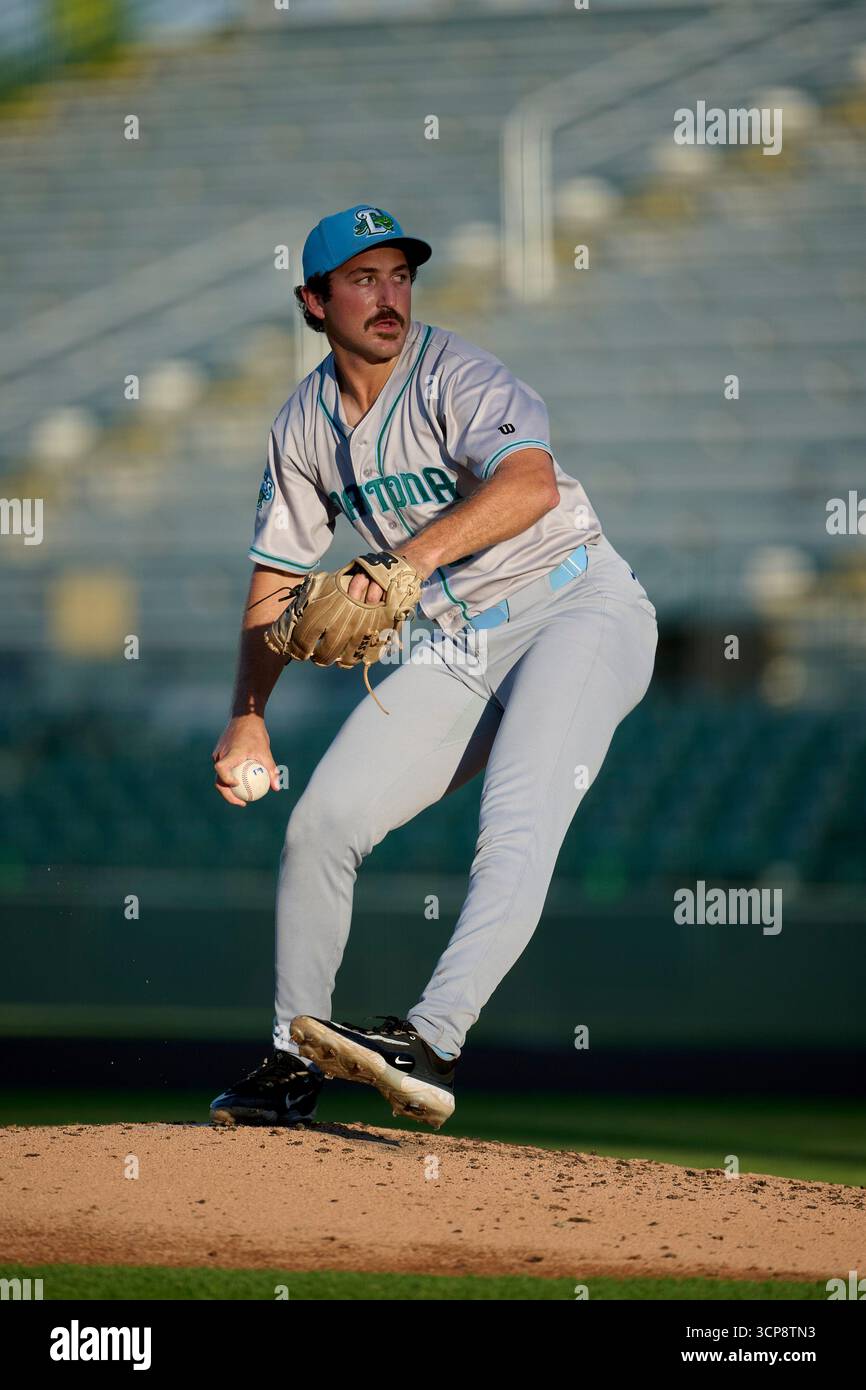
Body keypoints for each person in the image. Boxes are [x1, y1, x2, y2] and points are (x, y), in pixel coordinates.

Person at [210, 204, 657, 1130]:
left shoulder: (455, 372)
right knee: (321, 824)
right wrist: (248, 711)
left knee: (518, 822)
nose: (388, 296)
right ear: (314, 300)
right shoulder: (302, 428)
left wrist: (407, 560)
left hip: (578, 605)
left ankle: (433, 1037)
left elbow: (529, 483)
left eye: (400, 275)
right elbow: (276, 574)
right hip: (458, 642)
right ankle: (293, 1061)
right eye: (363, 279)